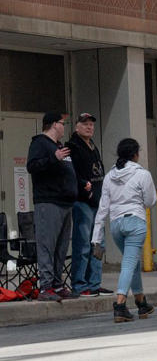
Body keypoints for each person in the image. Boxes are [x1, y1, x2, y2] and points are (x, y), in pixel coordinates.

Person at [91, 138, 157, 322]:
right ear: (136, 154)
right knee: (129, 264)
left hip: (116, 225)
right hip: (135, 222)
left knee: (133, 262)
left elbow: (103, 208)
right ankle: (120, 305)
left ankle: (141, 303)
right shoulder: (142, 174)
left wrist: (96, 237)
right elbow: (151, 201)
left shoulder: (109, 176)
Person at [27, 112, 79, 301]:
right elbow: (32, 166)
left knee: (61, 246)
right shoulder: (40, 143)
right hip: (48, 201)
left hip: (65, 202)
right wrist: (53, 158)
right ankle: (46, 286)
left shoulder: (58, 146)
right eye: (62, 123)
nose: (64, 126)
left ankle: (57, 284)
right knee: (47, 245)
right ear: (53, 125)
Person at [66, 113, 111, 298]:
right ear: (76, 127)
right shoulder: (72, 147)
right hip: (82, 203)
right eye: (85, 124)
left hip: (98, 203)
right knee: (83, 245)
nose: (89, 127)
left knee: (98, 244)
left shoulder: (93, 146)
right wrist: (85, 188)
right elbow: (70, 174)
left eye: (91, 124)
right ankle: (79, 284)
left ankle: (94, 283)